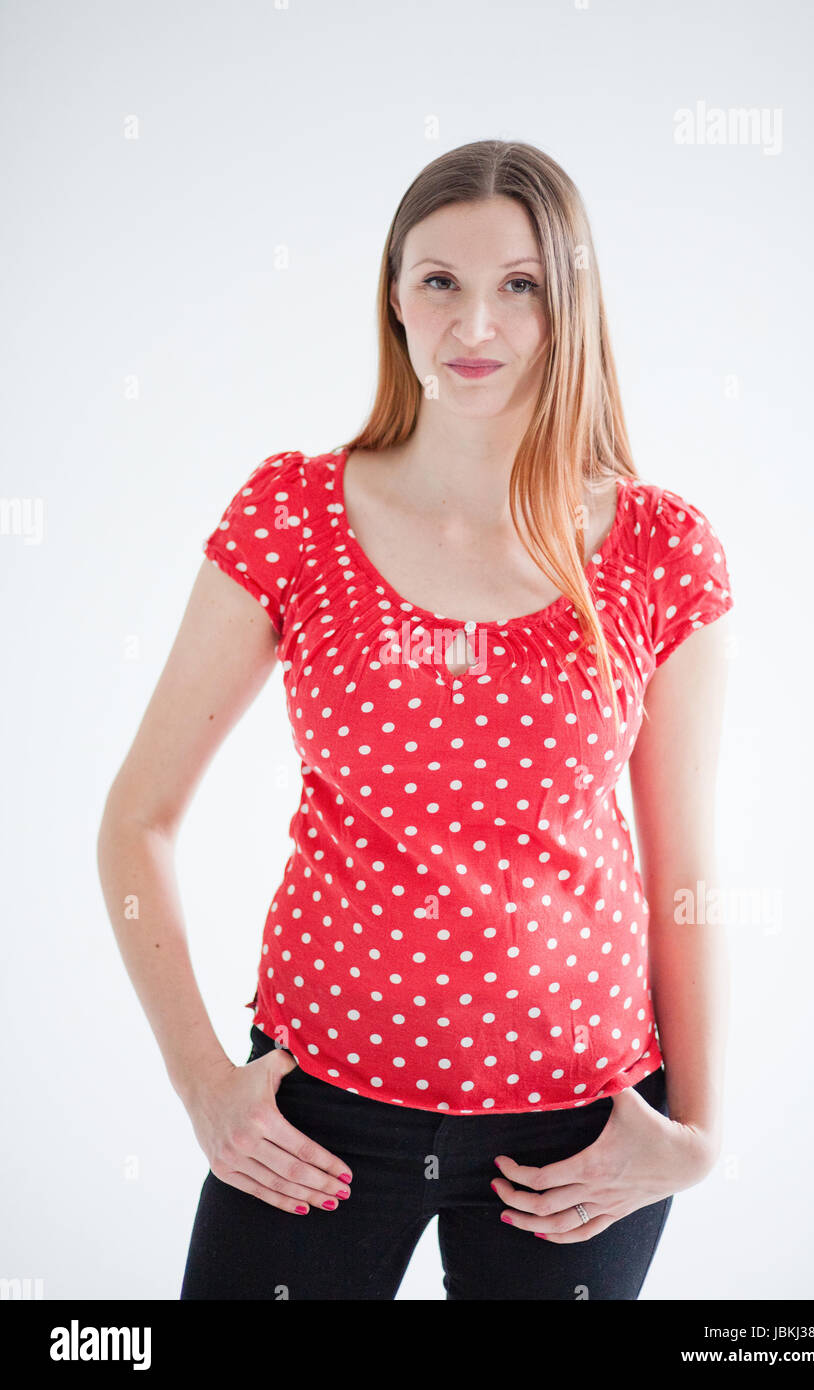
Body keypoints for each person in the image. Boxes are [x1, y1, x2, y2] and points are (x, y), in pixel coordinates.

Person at [97, 139, 735, 1300]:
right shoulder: (294, 512)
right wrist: (201, 1082)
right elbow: (136, 818)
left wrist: (695, 1129)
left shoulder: (658, 548)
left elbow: (684, 868)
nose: (473, 323)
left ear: (568, 303)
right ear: (393, 297)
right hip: (315, 1114)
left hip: (578, 1138)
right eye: (438, 280)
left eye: (519, 284)